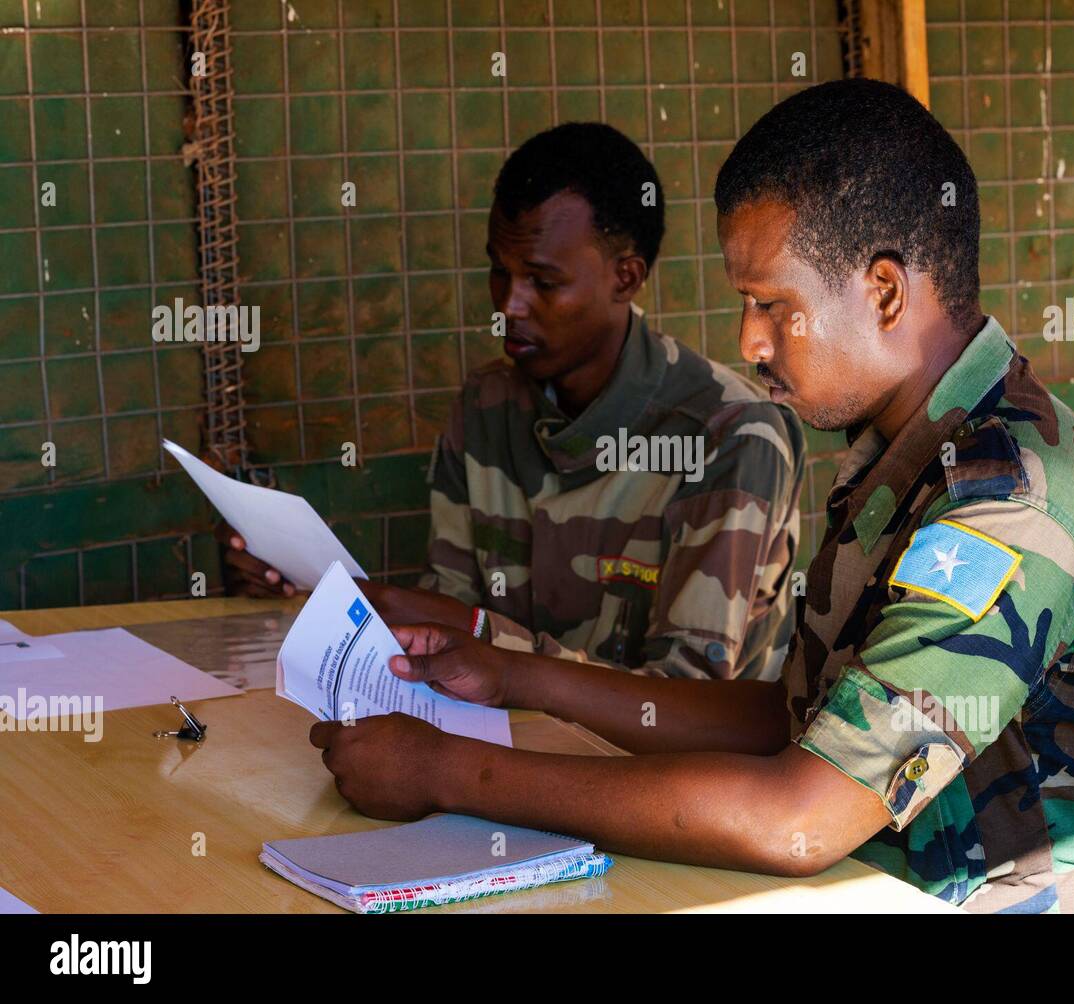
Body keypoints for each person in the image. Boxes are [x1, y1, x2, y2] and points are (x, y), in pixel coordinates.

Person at [309, 81, 1074, 913]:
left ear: (883, 291)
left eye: (771, 304)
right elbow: (792, 718)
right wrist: (515, 677)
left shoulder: (1014, 504)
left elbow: (801, 813)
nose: (750, 341)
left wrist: (444, 773)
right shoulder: (899, 457)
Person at [221, 122, 804, 680]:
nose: (509, 305)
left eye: (542, 282)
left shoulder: (731, 435)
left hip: (671, 777)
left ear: (625, 278)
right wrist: (306, 589)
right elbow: (443, 617)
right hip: (507, 754)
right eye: (499, 273)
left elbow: (685, 700)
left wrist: (476, 640)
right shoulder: (485, 408)